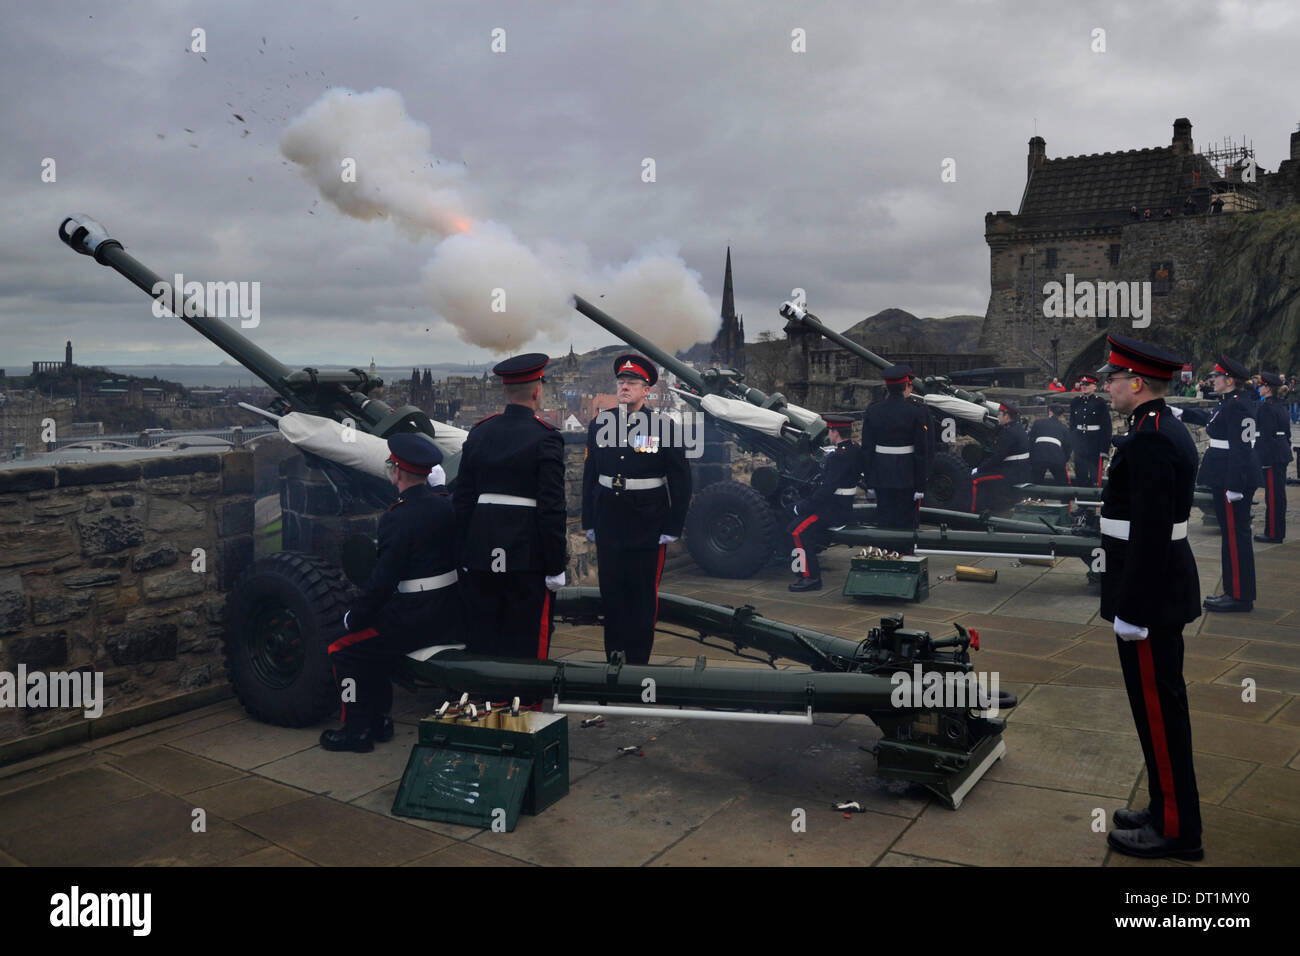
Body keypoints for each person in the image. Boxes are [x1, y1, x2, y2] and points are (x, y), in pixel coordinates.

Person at [1097, 333, 1203, 861]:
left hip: (1149, 597)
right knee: (1154, 710)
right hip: (1154, 590)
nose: (1106, 388)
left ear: (1136, 383)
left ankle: (1178, 830)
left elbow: (1152, 531)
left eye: (1112, 379)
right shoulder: (1155, 427)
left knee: (1160, 713)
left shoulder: (1152, 438)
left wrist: (1131, 610)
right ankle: (1164, 806)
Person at [322, 434, 462, 753]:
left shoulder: (397, 518)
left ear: (396, 471)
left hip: (417, 618)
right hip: (448, 612)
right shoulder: (446, 506)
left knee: (343, 649)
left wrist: (353, 617)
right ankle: (378, 719)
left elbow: (382, 582)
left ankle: (357, 729)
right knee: (376, 646)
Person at [453, 353, 567, 658]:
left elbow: (462, 500)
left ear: (506, 390)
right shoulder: (546, 438)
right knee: (526, 638)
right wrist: (556, 565)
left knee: (484, 633)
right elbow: (552, 508)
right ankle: (523, 701)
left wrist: (463, 551)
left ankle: (484, 700)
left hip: (480, 550)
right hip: (526, 554)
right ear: (536, 391)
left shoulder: (479, 432)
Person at [581, 354, 691, 663]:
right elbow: (590, 474)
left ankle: (638, 664)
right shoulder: (600, 424)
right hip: (609, 520)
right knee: (612, 594)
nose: (625, 386)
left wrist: (673, 527)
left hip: (647, 523)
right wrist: (589, 519)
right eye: (621, 382)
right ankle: (614, 659)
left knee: (642, 597)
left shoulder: (663, 427)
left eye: (632, 383)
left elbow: (681, 480)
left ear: (646, 390)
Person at [1173, 355, 1263, 613]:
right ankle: (1234, 591)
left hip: (1231, 477)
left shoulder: (1239, 406)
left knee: (1236, 537)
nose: (1212, 379)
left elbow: (1243, 448)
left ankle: (1239, 596)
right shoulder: (1229, 403)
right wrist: (1182, 412)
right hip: (1224, 474)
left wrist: (1235, 484)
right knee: (1232, 536)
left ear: (1230, 380)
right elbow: (1212, 420)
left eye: (1216, 376)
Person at [787, 413, 864, 591]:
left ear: (835, 433)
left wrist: (801, 507)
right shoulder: (854, 449)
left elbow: (827, 490)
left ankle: (809, 577)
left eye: (830, 431)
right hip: (841, 506)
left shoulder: (837, 457)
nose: (829, 435)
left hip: (833, 510)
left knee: (796, 531)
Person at [860, 364, 930, 529]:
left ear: (887, 386)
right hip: (907, 475)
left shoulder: (873, 410)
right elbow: (921, 451)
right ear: (906, 386)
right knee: (906, 522)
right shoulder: (915, 412)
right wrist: (920, 484)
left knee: (884, 519)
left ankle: (886, 553)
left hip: (881, 474)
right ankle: (904, 553)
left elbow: (867, 449)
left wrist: (869, 482)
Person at [970, 402, 1029, 512]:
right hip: (1018, 470)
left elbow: (997, 458)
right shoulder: (1017, 428)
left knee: (974, 480)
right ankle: (992, 506)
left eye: (1000, 414)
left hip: (1011, 473)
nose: (998, 417)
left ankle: (974, 512)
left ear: (1006, 416)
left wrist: (979, 468)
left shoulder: (1008, 433)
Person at [1254, 371, 1290, 542]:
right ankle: (1277, 531)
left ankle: (1274, 533)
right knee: (1278, 495)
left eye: (1262, 385)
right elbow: (1287, 433)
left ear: (1268, 388)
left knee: (1274, 497)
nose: (1259, 388)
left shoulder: (1267, 408)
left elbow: (1266, 436)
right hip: (1281, 452)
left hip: (1272, 456)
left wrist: (1263, 461)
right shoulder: (1280, 406)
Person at [1069, 373, 1112, 486]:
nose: (1084, 386)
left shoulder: (1100, 403)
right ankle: (1082, 503)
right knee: (1080, 476)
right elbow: (1072, 425)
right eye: (1082, 384)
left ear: (1094, 386)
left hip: (1095, 444)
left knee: (1095, 477)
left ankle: (1095, 501)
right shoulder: (1075, 402)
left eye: (1087, 384)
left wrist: (1104, 449)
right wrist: (1072, 444)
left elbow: (1106, 427)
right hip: (1080, 445)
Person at [1028, 403, 1072, 485]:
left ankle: (1035, 497)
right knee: (1063, 483)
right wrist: (1063, 460)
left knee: (1035, 482)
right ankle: (1066, 497)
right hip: (1056, 457)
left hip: (1038, 456)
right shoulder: (1064, 428)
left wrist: (1032, 457)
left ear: (1050, 412)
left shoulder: (1038, 423)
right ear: (1061, 415)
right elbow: (1068, 447)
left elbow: (1031, 442)